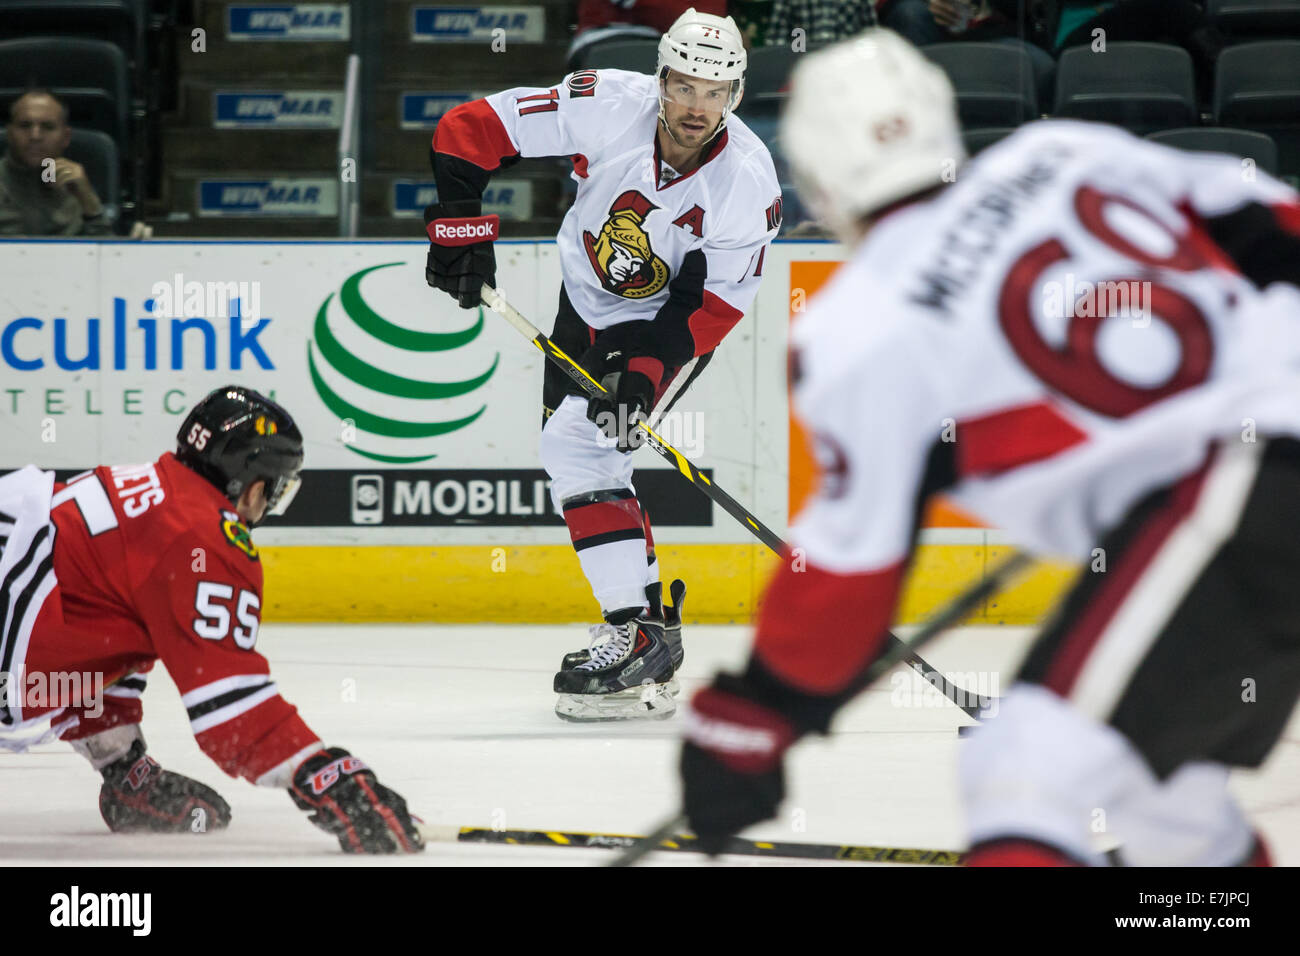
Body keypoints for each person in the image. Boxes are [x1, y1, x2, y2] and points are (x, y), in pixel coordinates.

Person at [677, 29, 1300, 865]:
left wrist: (759, 711)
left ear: (817, 183)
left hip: (1251, 478)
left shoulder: (859, 326)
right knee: (1166, 795)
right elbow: (1272, 221)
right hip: (1241, 485)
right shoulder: (1062, 148)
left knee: (1024, 769)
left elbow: (849, 572)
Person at [425, 8, 782, 721]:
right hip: (582, 305)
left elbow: (711, 306)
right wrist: (463, 231)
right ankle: (647, 634)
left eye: (715, 92)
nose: (697, 107)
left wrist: (641, 374)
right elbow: (470, 129)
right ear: (662, 80)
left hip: (665, 328)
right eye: (685, 86)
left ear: (735, 95)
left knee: (576, 448)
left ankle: (635, 629)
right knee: (591, 462)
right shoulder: (606, 104)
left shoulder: (748, 181)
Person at [0, 386, 424, 854]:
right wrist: (325, 778)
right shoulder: (203, 538)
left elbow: (100, 641)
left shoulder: (149, 489)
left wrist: (122, 767)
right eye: (275, 489)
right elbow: (230, 707)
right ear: (256, 485)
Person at [0, 90, 112, 237]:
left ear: (65, 137)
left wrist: (90, 204)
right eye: (25, 125)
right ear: (9, 133)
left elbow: (104, 254)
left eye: (47, 127)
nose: (35, 136)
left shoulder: (77, 186)